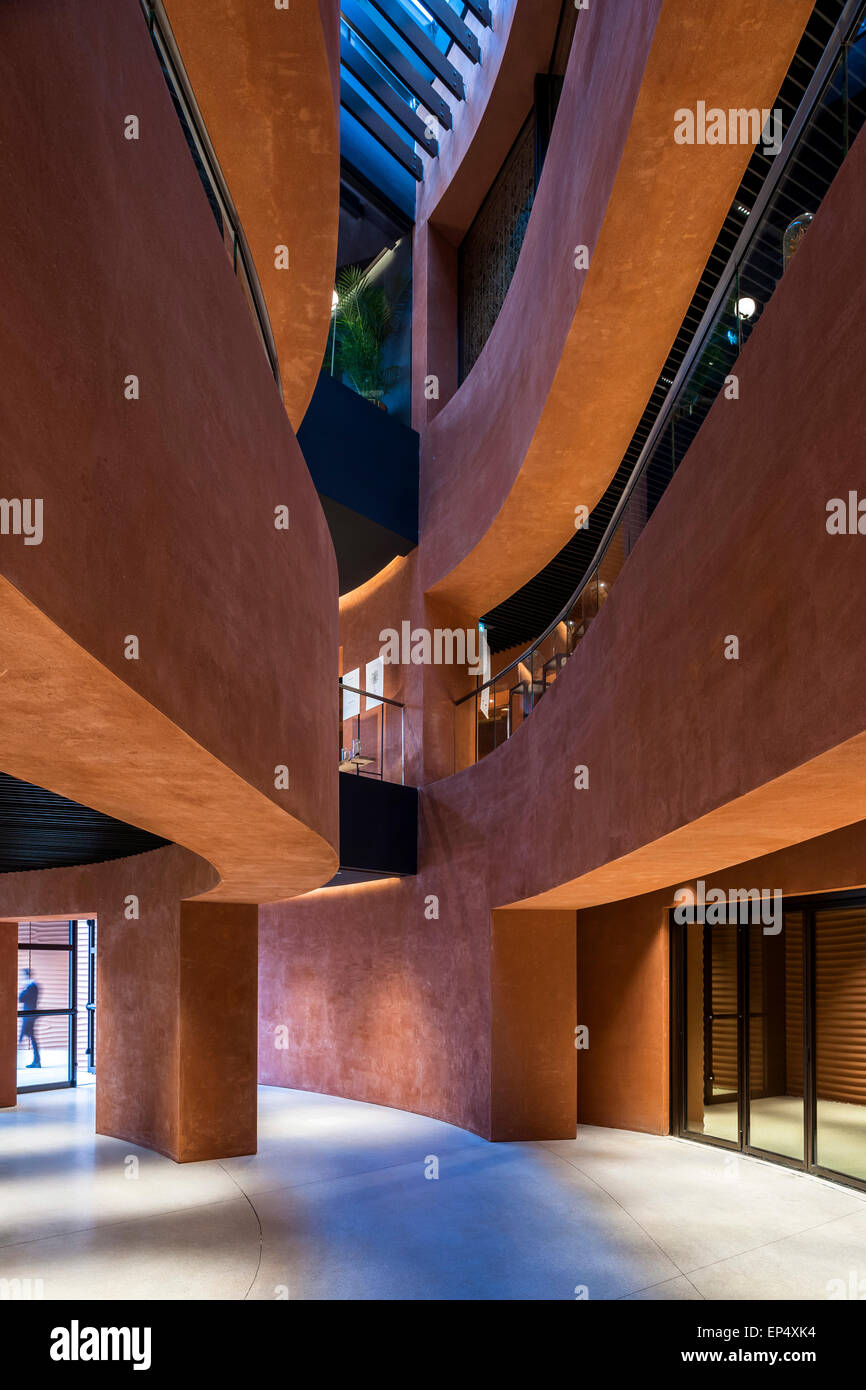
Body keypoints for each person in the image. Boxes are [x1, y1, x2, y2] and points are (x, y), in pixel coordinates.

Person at [18, 968, 41, 1068]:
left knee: (21, 1038)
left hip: (29, 1016)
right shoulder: (33, 986)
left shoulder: (31, 987)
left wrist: (24, 989)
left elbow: (21, 998)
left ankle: (14, 1061)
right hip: (29, 1016)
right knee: (30, 1037)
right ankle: (37, 1061)